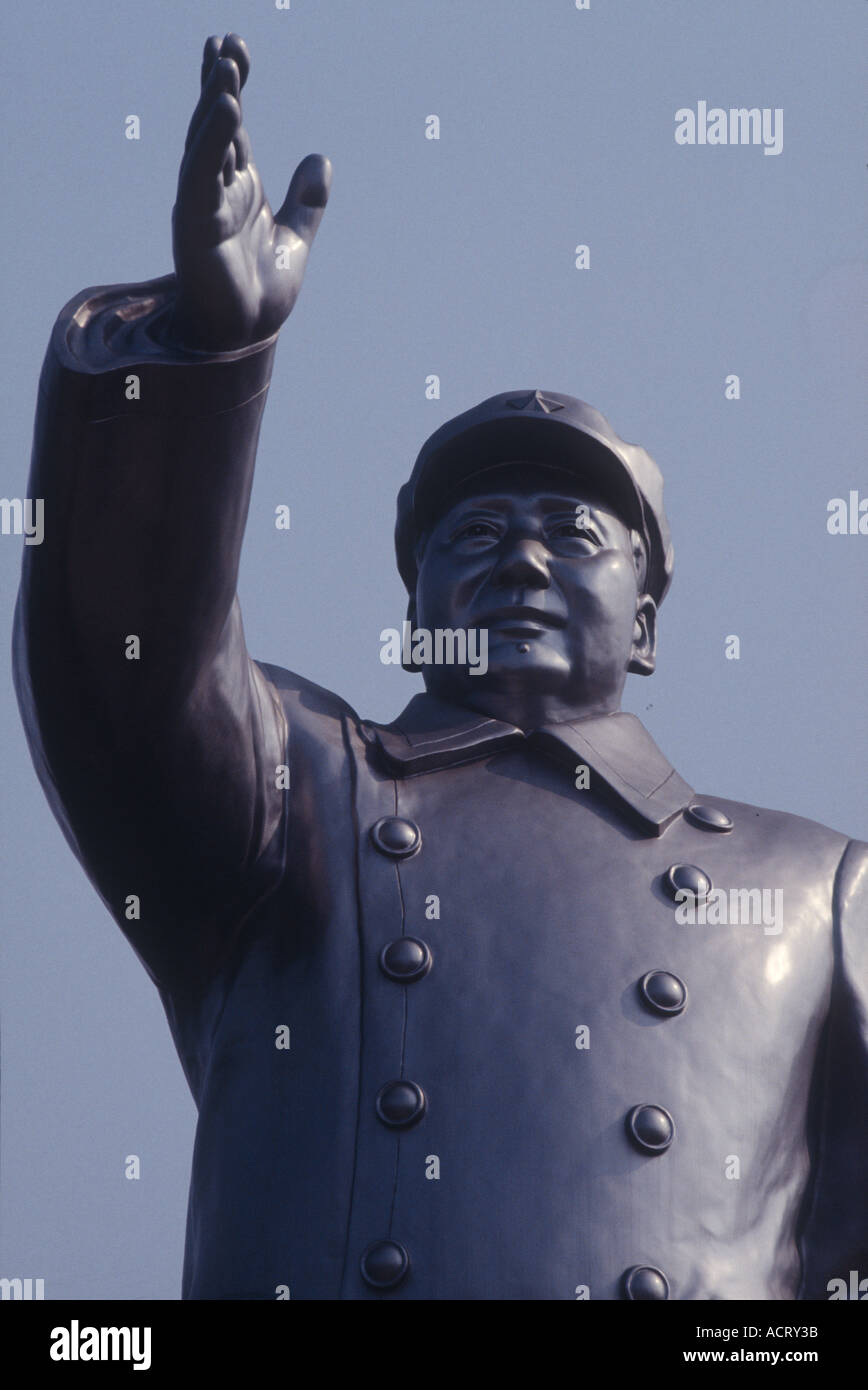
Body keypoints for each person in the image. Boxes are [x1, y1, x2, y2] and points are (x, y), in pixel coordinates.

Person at [14, 33, 868, 1300]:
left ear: (644, 623)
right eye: (474, 535)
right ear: (414, 608)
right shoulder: (298, 799)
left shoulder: (811, 889)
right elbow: (121, 668)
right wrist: (202, 349)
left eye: (574, 534)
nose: (520, 559)